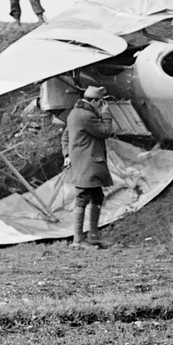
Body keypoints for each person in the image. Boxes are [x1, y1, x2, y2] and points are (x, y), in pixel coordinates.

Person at [63, 85, 114, 248]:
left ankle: (92, 236)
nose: (101, 106)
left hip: (84, 163)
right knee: (83, 196)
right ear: (93, 101)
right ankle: (78, 240)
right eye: (100, 103)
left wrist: (67, 154)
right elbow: (105, 131)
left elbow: (65, 136)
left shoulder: (74, 113)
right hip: (88, 164)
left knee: (97, 196)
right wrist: (106, 114)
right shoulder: (86, 116)